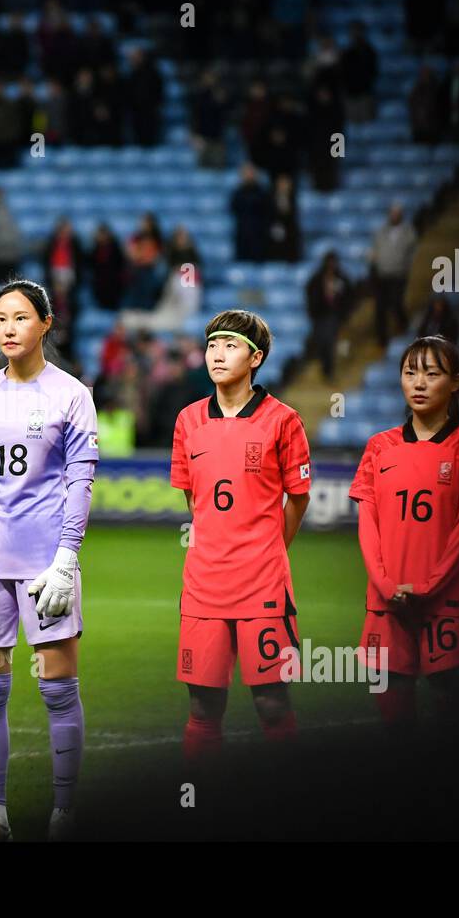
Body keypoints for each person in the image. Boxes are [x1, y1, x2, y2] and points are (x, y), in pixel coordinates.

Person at [0, 280, 98, 841]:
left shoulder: (71, 395)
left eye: (20, 318)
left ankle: (64, 813)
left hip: (45, 565)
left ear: (45, 324)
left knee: (58, 688)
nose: (8, 328)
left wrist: (66, 559)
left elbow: (81, 479)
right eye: (0, 318)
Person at [170, 310, 311, 763]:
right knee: (202, 707)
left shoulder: (283, 420)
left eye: (230, 345)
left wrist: (266, 549)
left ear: (256, 357)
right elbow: (194, 499)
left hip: (263, 586)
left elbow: (299, 498)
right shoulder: (188, 421)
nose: (217, 354)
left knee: (271, 704)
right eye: (212, 345)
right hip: (204, 585)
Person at [348, 336, 459, 726]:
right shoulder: (378, 447)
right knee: (394, 718)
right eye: (410, 373)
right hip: (386, 602)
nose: (419, 383)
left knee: (455, 713)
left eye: (432, 374)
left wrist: (429, 585)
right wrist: (383, 583)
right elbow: (368, 525)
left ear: (456, 382)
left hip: (444, 601)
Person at [369, 203, 418, 346]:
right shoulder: (381, 231)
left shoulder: (409, 231)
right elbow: (375, 249)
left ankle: (404, 327)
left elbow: (412, 252)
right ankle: (381, 339)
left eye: (397, 213)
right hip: (381, 274)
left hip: (399, 274)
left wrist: (406, 266)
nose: (394, 215)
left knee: (396, 302)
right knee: (380, 307)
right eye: (392, 212)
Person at [305, 251, 352, 381]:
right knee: (322, 342)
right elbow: (311, 296)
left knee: (331, 341)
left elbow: (349, 296)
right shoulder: (317, 280)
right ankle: (324, 368)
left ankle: (329, 371)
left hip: (335, 316)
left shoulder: (342, 279)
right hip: (320, 316)